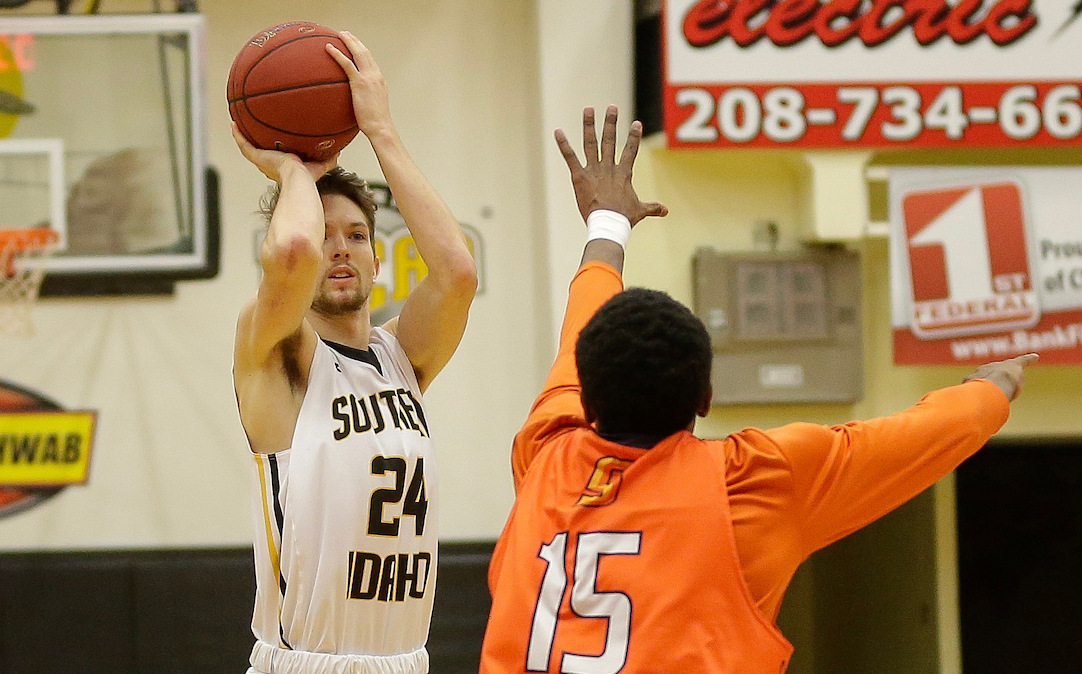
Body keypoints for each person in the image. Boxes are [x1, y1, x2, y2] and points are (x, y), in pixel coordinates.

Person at [478, 105, 1036, 673]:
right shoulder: (752, 481)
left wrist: (606, 223)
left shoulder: (546, 450)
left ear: (585, 397)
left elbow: (583, 317)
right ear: (705, 399)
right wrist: (993, 387)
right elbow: (916, 437)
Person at [231, 32, 477, 674]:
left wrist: (381, 132)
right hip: (307, 662)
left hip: (405, 659)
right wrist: (291, 172)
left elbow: (456, 271)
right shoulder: (279, 353)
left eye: (358, 234)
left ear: (377, 255)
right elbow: (292, 254)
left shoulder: (403, 360)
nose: (339, 248)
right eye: (327, 232)